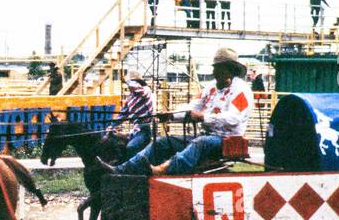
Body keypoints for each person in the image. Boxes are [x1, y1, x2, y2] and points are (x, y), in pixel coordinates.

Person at [106, 48, 252, 176]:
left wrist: (203, 117)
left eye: (218, 68)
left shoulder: (241, 91)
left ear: (229, 70)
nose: (214, 72)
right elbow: (193, 106)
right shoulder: (210, 88)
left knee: (200, 142)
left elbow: (234, 118)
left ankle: (164, 169)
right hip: (206, 136)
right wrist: (171, 115)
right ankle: (122, 169)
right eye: (215, 68)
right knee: (163, 142)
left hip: (228, 139)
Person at [118, 71, 156, 156]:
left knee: (131, 147)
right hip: (135, 130)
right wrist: (111, 125)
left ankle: (134, 167)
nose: (129, 86)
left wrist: (127, 80)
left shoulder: (145, 91)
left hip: (145, 129)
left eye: (133, 82)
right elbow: (122, 114)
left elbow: (135, 86)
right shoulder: (130, 97)